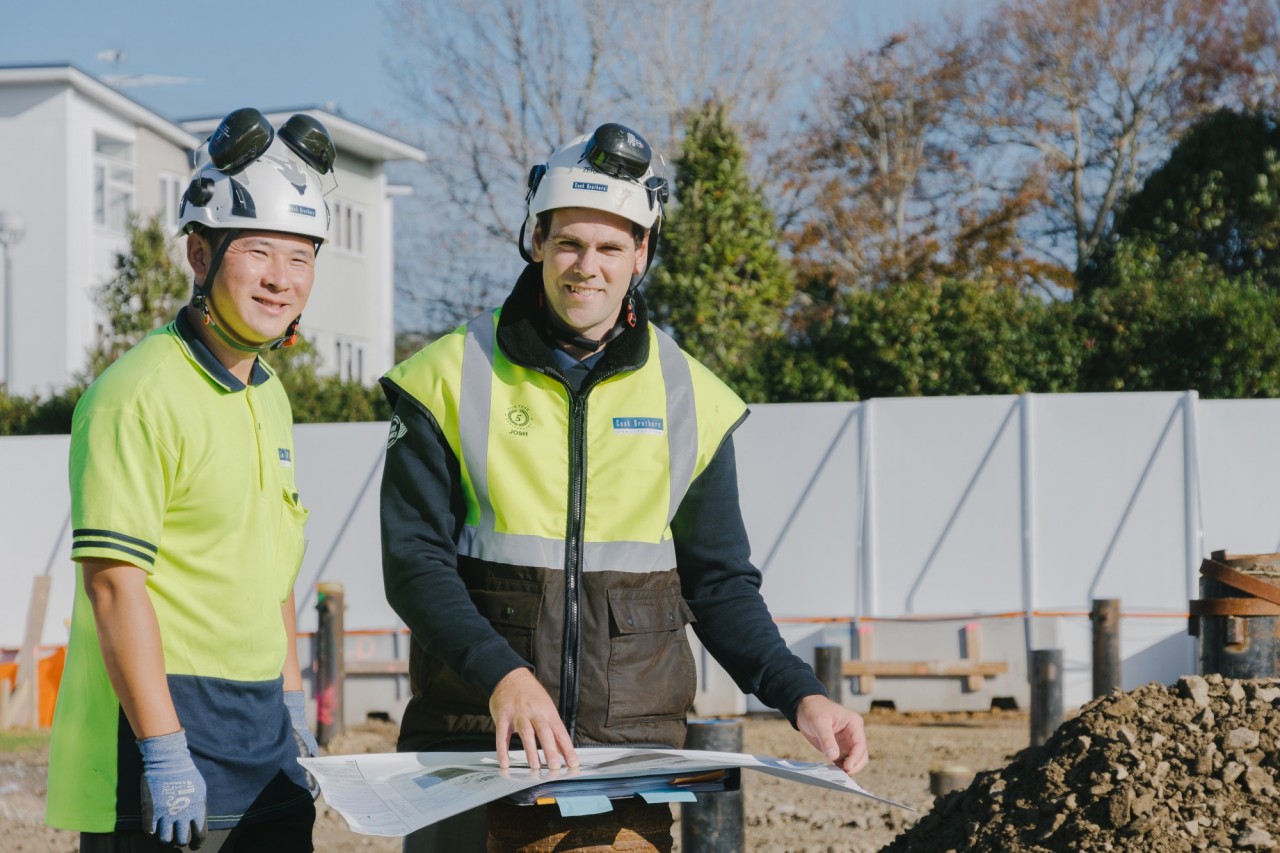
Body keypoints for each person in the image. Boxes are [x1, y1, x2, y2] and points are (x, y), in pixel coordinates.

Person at [380, 122, 869, 851]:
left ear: (642, 253)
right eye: (570, 242)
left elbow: (721, 584)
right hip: (474, 747)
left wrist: (802, 694)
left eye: (612, 247)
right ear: (536, 239)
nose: (588, 266)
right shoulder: (443, 378)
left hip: (623, 769)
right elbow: (415, 565)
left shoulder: (691, 397)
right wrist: (502, 674)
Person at [45, 106, 336, 852]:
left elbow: (270, 570)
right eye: (261, 252)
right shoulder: (134, 394)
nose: (282, 278)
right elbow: (115, 585)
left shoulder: (267, 394)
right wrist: (165, 751)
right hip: (161, 743)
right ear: (200, 256)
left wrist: (294, 701)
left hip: (262, 741)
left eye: (301, 257)